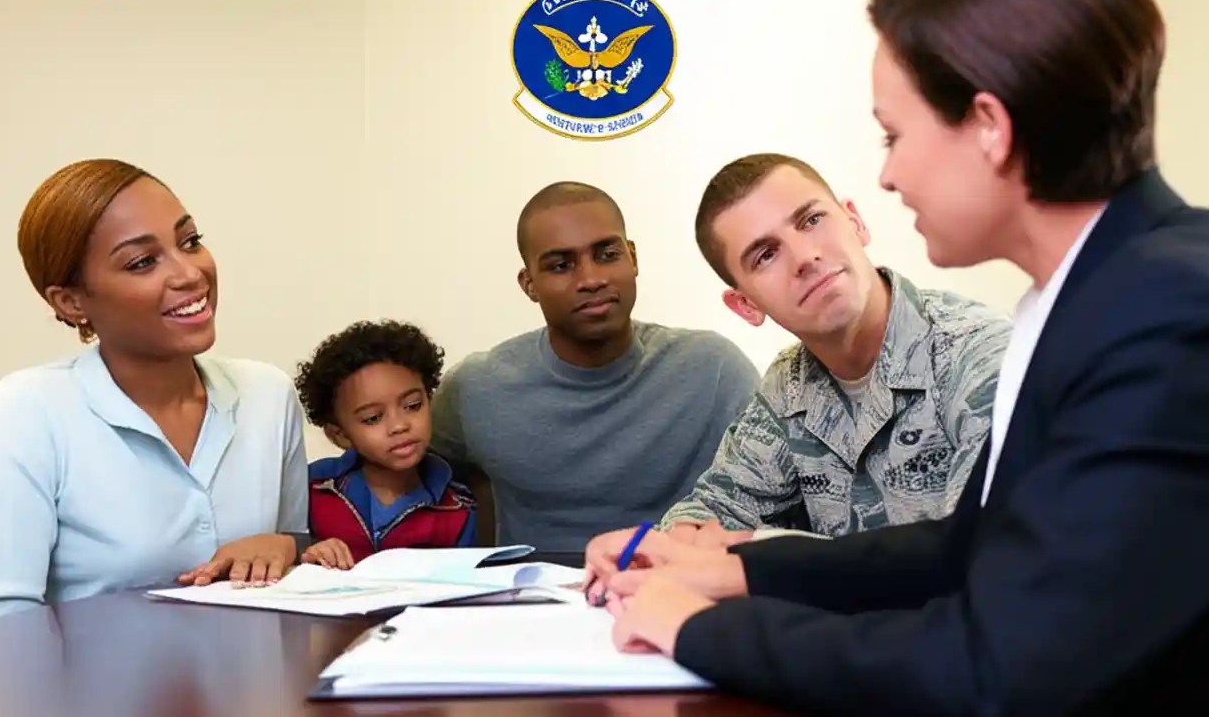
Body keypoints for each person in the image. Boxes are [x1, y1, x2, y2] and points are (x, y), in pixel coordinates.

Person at [584, 0, 1209, 712]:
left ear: (988, 127)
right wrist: (738, 568)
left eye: (893, 135)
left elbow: (996, 668)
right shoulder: (1104, 292)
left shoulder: (1170, 314)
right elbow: (968, 546)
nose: (889, 176)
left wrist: (704, 630)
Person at [0, 159, 309, 626]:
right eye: (142, 262)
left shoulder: (269, 395)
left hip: (260, 693)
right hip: (87, 698)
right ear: (71, 302)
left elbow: (300, 568)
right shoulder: (29, 410)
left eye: (190, 241)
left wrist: (288, 545)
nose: (190, 274)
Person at [661, 153, 1009, 546]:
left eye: (811, 221)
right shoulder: (788, 385)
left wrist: (764, 560)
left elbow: (988, 560)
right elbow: (716, 509)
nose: (806, 257)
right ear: (746, 305)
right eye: (766, 255)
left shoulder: (978, 355)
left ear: (855, 221)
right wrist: (660, 548)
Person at [430, 181, 760, 551]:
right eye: (561, 265)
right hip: (526, 601)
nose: (591, 279)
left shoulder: (714, 370)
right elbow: (396, 474)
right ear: (529, 285)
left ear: (632, 258)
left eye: (607, 255)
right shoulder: (475, 388)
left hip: (674, 594)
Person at [294, 320, 477, 568]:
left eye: (413, 406)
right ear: (340, 435)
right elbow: (282, 551)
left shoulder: (456, 506)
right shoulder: (311, 488)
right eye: (373, 418)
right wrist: (307, 550)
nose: (399, 425)